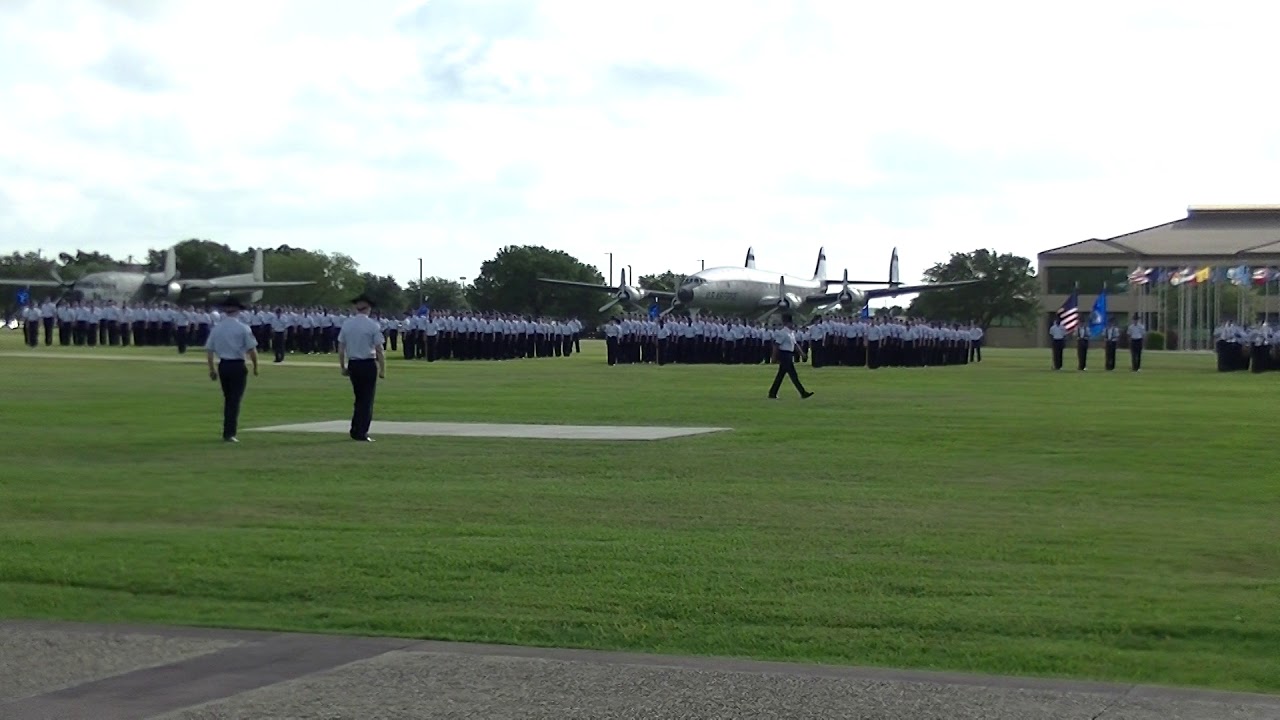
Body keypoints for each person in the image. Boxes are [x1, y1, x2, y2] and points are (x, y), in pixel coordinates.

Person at [204, 297, 259, 443]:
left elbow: (209, 350)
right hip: (237, 365)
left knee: (228, 399)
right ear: (238, 312)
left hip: (223, 365)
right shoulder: (242, 328)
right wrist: (255, 366)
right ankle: (229, 433)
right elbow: (252, 350)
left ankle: (227, 431)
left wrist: (211, 369)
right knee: (234, 400)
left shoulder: (217, 328)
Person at [337, 293, 385, 443]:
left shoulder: (347, 324)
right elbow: (379, 349)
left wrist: (343, 366)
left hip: (353, 363)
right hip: (367, 363)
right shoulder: (372, 325)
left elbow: (341, 347)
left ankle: (355, 428)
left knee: (359, 398)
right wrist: (383, 369)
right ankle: (361, 431)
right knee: (367, 399)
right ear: (368, 309)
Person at [768, 316, 814, 400]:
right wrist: (774, 357)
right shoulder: (782, 333)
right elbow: (776, 345)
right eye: (792, 323)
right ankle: (803, 393)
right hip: (784, 355)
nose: (793, 325)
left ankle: (772, 393)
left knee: (780, 375)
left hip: (789, 354)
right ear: (787, 323)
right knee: (793, 375)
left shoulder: (791, 333)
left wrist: (802, 353)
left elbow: (795, 344)